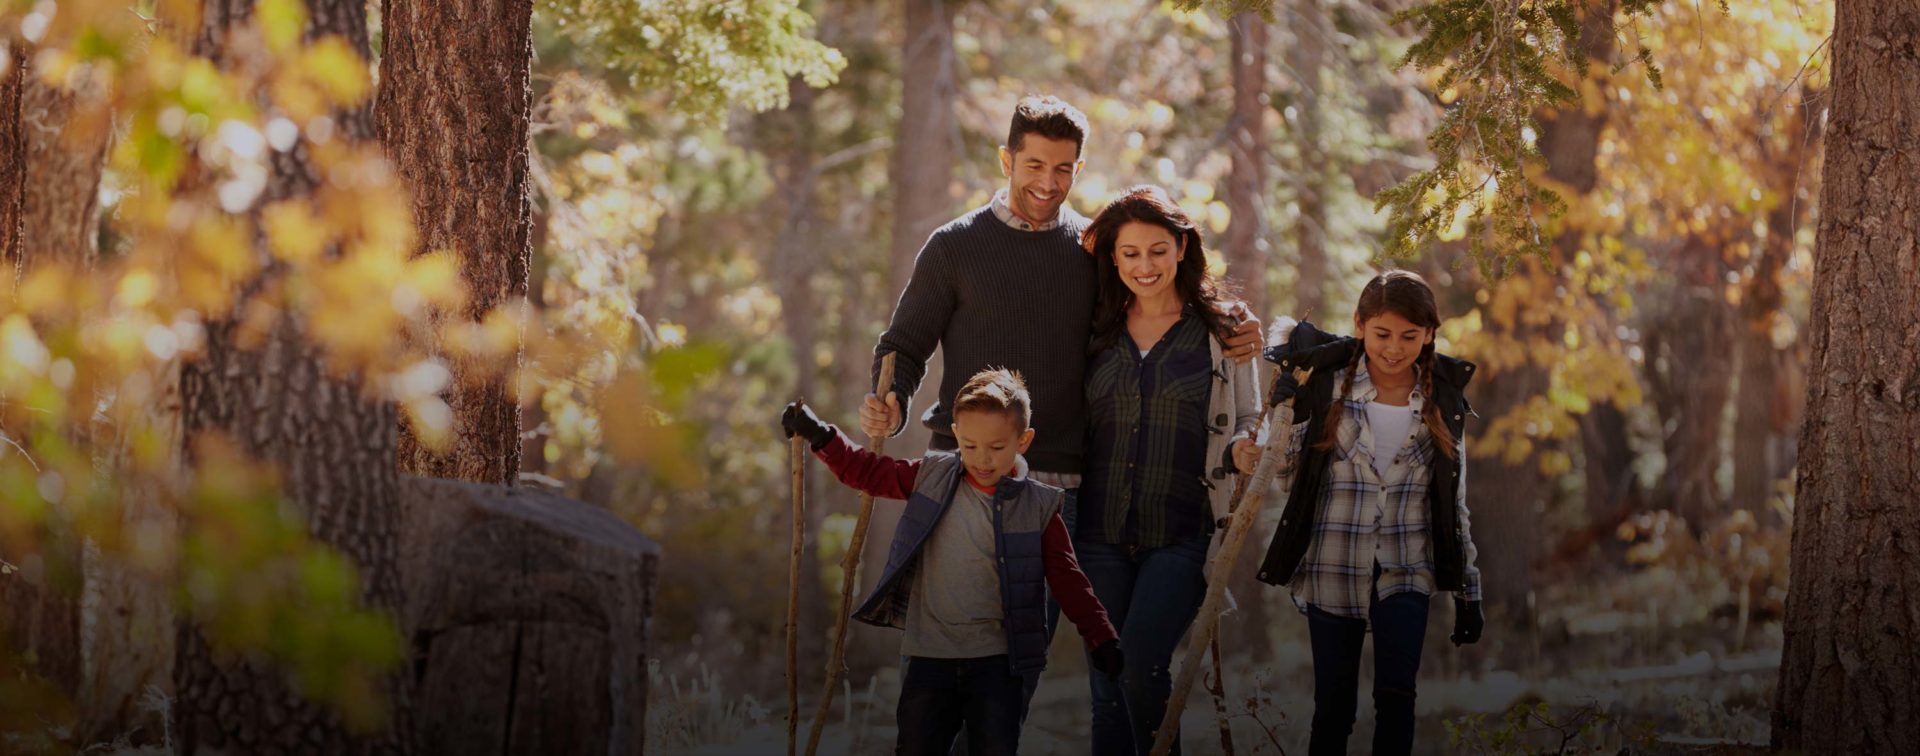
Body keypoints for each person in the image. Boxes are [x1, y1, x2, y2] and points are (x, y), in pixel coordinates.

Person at [859, 94, 1264, 546]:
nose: (1048, 183)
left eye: (1063, 169)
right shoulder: (952, 246)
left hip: (1059, 485)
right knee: (954, 594)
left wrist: (1230, 321)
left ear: (1079, 169)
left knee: (1047, 597)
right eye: (1034, 165)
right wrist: (893, 400)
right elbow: (904, 346)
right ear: (1006, 160)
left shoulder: (1092, 250)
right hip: (963, 469)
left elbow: (1156, 302)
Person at [783, 369, 1124, 756]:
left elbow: (1068, 578)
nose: (982, 459)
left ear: (1023, 440)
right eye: (970, 445)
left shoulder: (1039, 506)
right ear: (956, 435)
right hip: (930, 658)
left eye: (996, 447)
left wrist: (1101, 636)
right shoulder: (932, 476)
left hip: (998, 664)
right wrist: (818, 434)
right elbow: (869, 472)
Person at [1254, 270, 1486, 756]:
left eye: (1409, 336)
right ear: (1359, 325)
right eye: (1382, 334)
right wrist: (1287, 414)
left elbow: (1454, 502)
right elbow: (1288, 477)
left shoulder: (1442, 400)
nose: (1394, 348)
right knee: (1333, 708)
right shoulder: (1327, 385)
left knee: (1397, 698)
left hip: (1407, 567)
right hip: (1333, 565)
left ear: (1429, 334)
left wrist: (1469, 591)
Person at [1072, 185, 1263, 755]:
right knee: (1107, 691)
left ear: (1181, 247)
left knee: (1140, 667)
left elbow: (1248, 416)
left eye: (1157, 250)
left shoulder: (1221, 331)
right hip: (1098, 534)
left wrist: (1244, 446)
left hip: (1182, 533)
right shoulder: (1095, 326)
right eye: (1130, 253)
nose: (1145, 266)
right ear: (1113, 258)